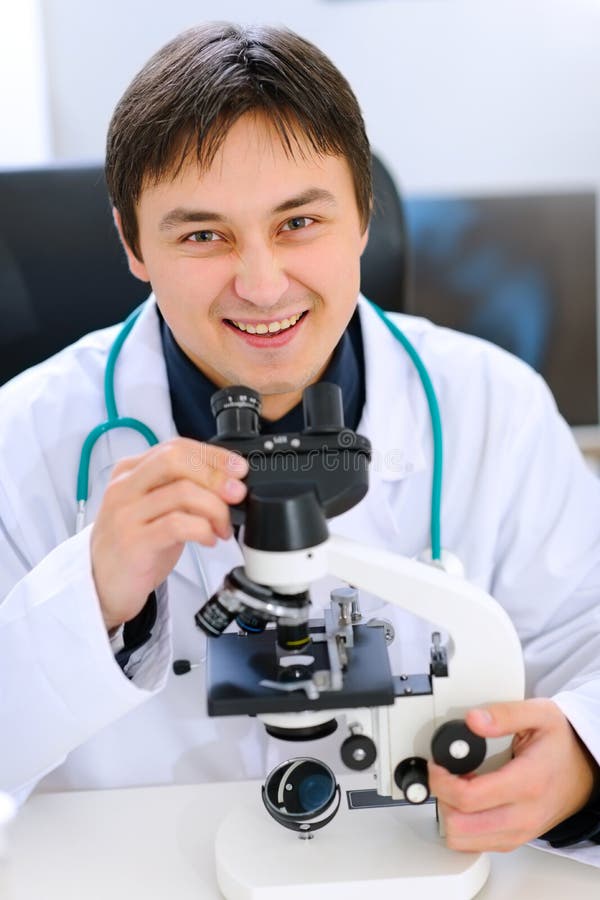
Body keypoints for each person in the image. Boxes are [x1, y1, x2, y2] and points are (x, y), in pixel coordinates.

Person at [1, 22, 599, 856]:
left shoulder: (494, 408)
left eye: (299, 222)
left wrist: (583, 755)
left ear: (363, 217)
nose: (260, 284)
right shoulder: (24, 437)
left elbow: (589, 637)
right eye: (202, 235)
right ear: (133, 244)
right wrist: (88, 599)